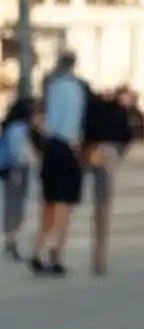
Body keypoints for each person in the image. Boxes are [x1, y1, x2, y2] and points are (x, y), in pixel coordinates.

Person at [30, 51, 88, 276]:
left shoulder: (50, 86)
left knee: (48, 205)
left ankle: (37, 251)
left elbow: (43, 122)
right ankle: (55, 253)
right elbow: (75, 122)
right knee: (64, 206)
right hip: (67, 148)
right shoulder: (76, 88)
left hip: (50, 149)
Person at [83, 85, 137, 275]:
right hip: (111, 152)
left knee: (97, 201)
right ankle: (100, 259)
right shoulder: (120, 113)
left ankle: (97, 255)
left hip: (93, 151)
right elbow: (128, 135)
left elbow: (85, 130)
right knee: (104, 204)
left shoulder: (93, 109)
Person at [1, 97, 36, 261]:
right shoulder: (19, 128)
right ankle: (12, 240)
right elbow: (18, 152)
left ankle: (11, 239)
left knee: (12, 204)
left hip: (12, 169)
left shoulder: (10, 126)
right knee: (16, 206)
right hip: (18, 170)